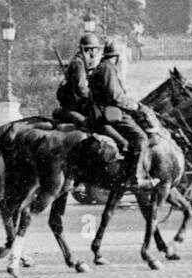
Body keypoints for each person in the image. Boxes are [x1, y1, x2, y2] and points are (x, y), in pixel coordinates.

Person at [88, 39, 156, 189]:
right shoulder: (108, 69)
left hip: (102, 112)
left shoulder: (101, 67)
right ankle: (135, 177)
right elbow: (115, 97)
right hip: (111, 114)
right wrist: (136, 106)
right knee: (141, 137)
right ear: (117, 56)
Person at [55, 33, 100, 126]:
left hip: (75, 103)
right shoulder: (79, 63)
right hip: (73, 105)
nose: (96, 52)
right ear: (90, 50)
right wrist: (93, 97)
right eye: (95, 49)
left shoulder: (81, 61)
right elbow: (81, 88)